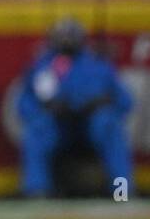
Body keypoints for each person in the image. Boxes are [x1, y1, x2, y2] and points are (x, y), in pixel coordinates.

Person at [18, 18, 134, 199]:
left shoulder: (99, 64)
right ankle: (37, 189)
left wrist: (102, 104)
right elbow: (24, 104)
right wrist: (49, 108)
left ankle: (122, 189)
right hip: (59, 126)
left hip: (90, 125)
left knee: (109, 127)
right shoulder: (42, 66)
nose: (66, 40)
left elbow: (125, 101)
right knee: (37, 130)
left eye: (70, 36)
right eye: (62, 36)